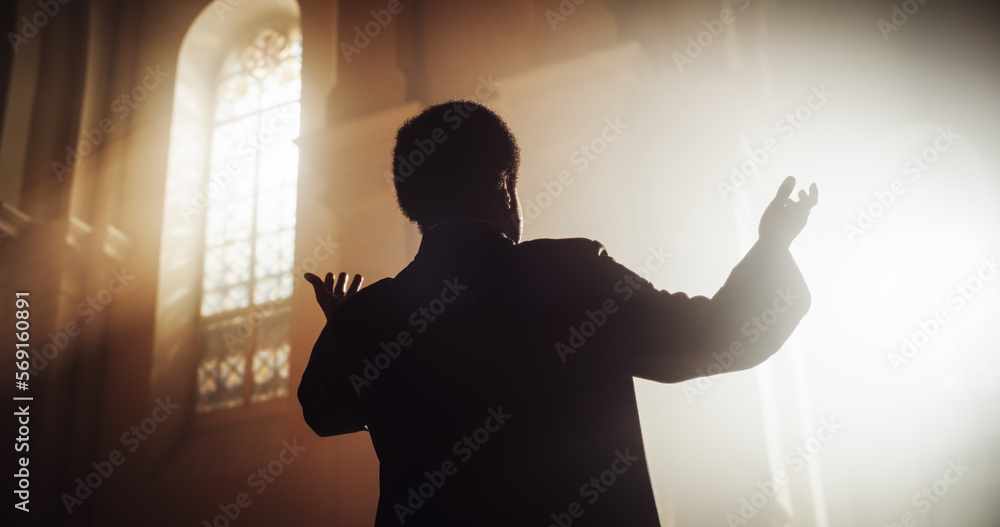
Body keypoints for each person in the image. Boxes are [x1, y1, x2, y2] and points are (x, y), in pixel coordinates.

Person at [298, 100, 817, 526]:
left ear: (409, 203)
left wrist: (345, 326)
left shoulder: (370, 318)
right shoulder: (572, 273)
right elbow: (717, 337)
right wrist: (772, 247)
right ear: (505, 187)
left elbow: (325, 410)